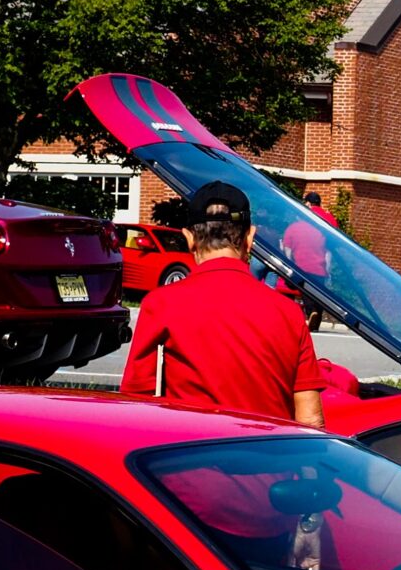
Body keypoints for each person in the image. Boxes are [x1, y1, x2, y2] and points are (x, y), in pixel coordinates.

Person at [120, 181, 324, 425]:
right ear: (250, 237)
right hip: (271, 448)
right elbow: (311, 419)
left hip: (194, 446)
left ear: (189, 238)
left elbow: (135, 405)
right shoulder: (289, 312)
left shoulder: (160, 304)